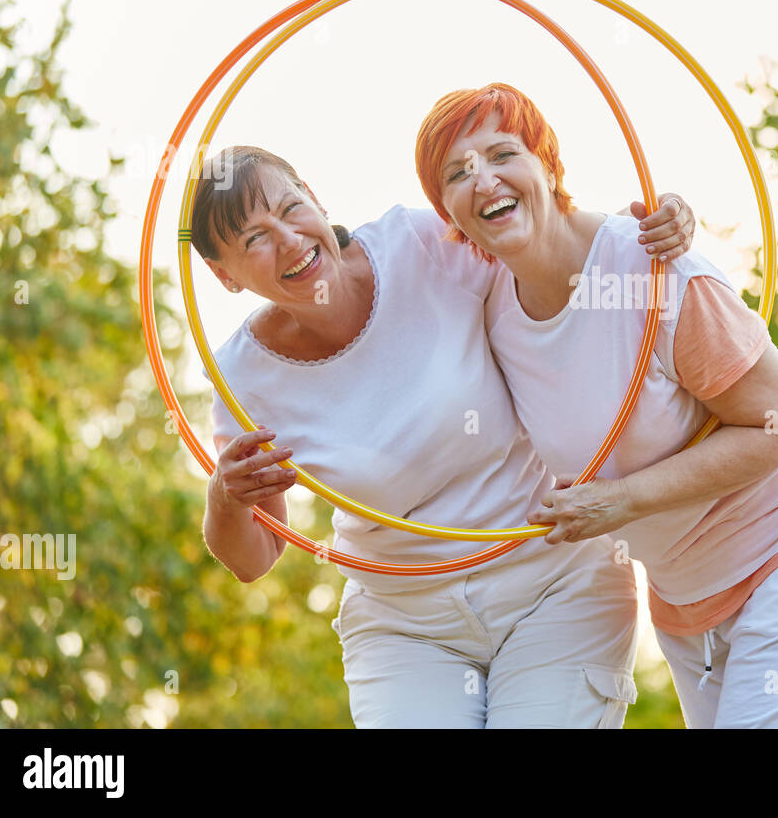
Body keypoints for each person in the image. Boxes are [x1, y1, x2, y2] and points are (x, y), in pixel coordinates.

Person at [415, 84, 778, 728]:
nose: (484, 179)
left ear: (550, 168)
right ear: (446, 211)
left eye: (503, 153)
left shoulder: (650, 269)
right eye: (457, 173)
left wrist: (621, 500)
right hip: (688, 592)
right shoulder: (488, 307)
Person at [190, 144, 695, 727]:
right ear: (224, 275)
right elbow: (256, 558)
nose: (288, 239)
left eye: (290, 207)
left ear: (316, 198)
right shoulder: (243, 380)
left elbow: (553, 251)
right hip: (405, 623)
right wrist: (225, 500)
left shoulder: (419, 245)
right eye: (253, 238)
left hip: (553, 577)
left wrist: (647, 234)